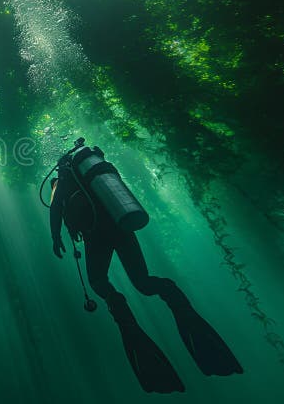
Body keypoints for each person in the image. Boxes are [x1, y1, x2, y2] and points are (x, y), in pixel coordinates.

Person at [49, 147, 242, 393]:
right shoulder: (94, 172)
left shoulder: (64, 178)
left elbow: (55, 207)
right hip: (122, 227)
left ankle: (123, 314)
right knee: (143, 282)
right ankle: (172, 296)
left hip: (96, 235)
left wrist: (55, 236)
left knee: (98, 282)